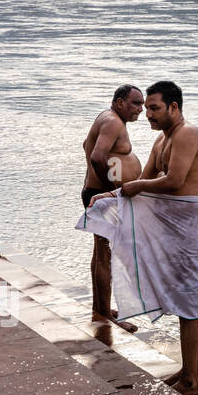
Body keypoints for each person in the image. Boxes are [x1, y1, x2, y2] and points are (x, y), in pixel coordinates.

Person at [87, 81, 198, 395]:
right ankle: (189, 371)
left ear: (174, 107)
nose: (147, 115)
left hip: (190, 227)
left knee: (189, 300)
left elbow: (174, 181)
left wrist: (132, 188)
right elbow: (143, 180)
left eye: (154, 108)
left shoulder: (189, 133)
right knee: (182, 297)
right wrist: (112, 194)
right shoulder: (162, 140)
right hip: (171, 226)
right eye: (145, 109)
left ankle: (191, 378)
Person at [81, 84, 144, 332]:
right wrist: (111, 188)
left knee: (100, 253)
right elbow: (97, 156)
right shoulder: (113, 122)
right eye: (135, 103)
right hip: (103, 197)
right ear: (119, 102)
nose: (141, 109)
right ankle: (106, 316)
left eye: (142, 104)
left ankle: (101, 307)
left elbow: (85, 143)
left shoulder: (106, 118)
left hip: (96, 194)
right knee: (105, 255)